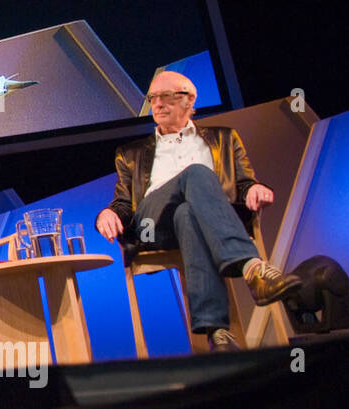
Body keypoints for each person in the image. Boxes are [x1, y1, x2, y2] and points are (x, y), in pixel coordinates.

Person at [95, 71, 301, 352]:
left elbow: (242, 182)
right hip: (151, 224)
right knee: (196, 173)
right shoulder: (130, 152)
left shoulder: (223, 138)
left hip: (201, 220)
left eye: (166, 96)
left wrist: (253, 188)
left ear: (189, 99)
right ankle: (252, 267)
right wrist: (108, 214)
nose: (157, 104)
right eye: (153, 98)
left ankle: (217, 333)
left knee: (187, 214)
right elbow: (123, 202)